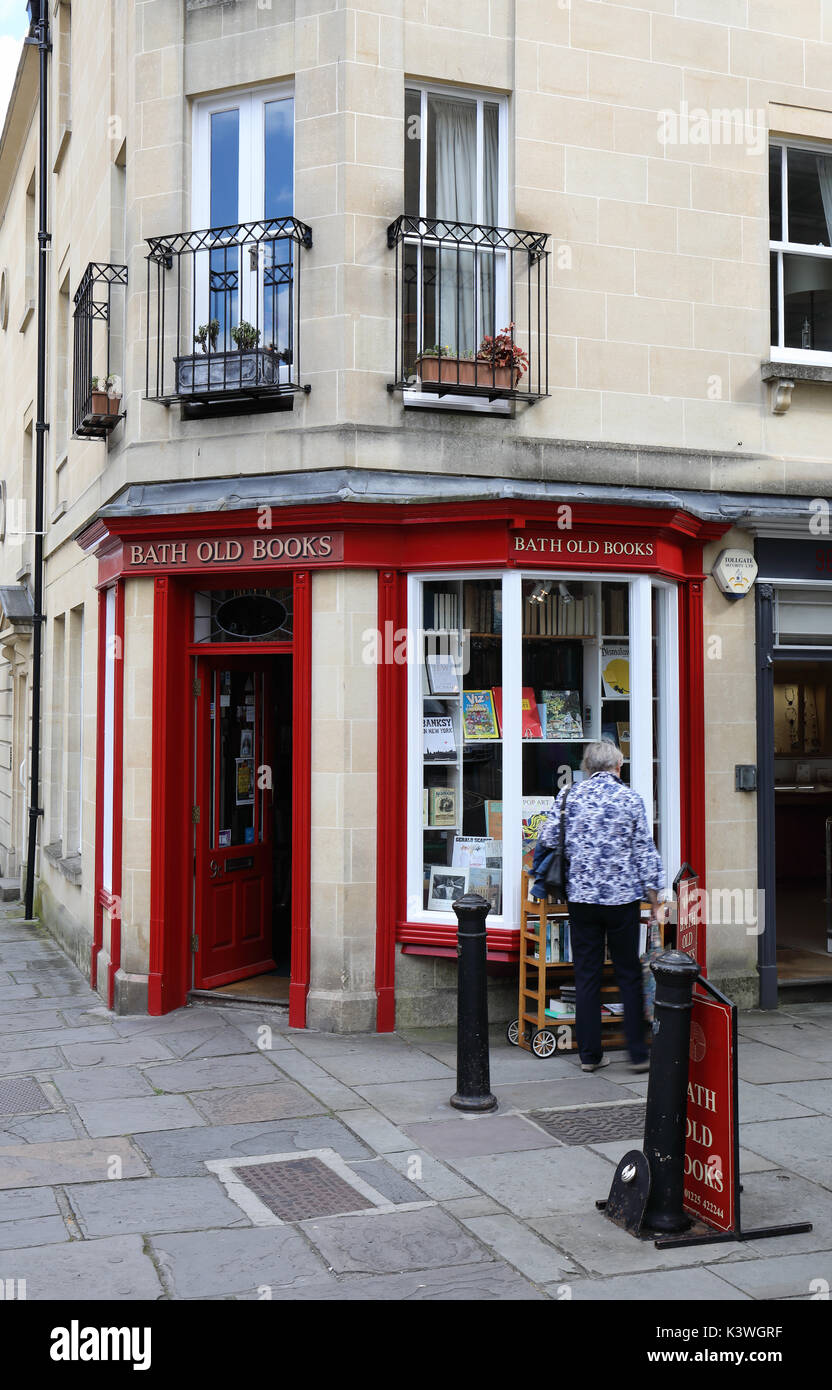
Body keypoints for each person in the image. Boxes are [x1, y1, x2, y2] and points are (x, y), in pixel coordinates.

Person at [531, 740, 666, 1074]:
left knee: (586, 974)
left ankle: (590, 1056)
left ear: (587, 768)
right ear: (618, 767)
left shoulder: (568, 797)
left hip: (582, 899)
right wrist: (656, 899)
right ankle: (637, 1053)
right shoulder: (631, 798)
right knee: (628, 973)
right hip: (621, 900)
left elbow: (547, 838)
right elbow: (645, 852)